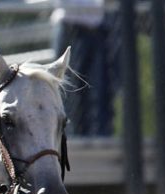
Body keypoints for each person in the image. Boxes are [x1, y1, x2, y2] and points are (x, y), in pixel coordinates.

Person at [51, 0, 118, 137]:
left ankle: (100, 138)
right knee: (71, 91)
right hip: (71, 27)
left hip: (97, 29)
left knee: (100, 91)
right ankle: (70, 139)